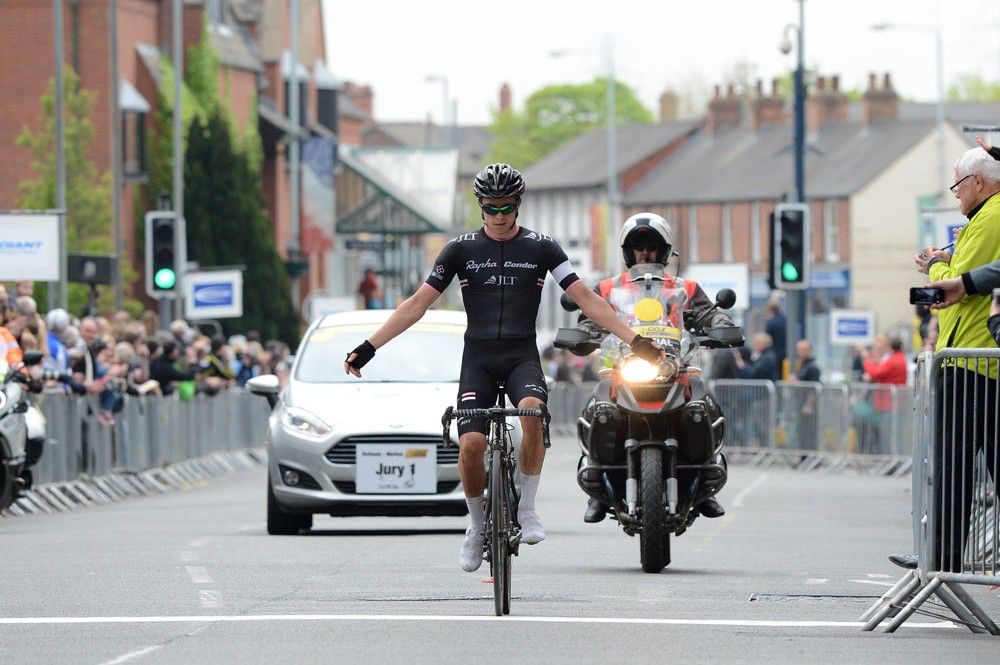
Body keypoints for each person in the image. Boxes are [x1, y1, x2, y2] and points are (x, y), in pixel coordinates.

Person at [343, 163, 664, 573]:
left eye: (507, 207)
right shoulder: (459, 250)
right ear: (480, 206)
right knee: (472, 445)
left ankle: (527, 508)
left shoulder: (541, 248)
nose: (499, 216)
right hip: (477, 357)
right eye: (491, 208)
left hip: (520, 355)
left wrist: (636, 341)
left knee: (531, 409)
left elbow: (587, 298)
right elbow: (417, 304)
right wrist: (369, 347)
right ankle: (476, 526)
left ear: (519, 204)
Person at [577, 212, 737, 524]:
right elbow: (588, 319)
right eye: (638, 246)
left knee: (703, 405)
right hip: (623, 367)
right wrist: (582, 333)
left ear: (663, 250)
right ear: (628, 251)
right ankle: (598, 484)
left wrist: (722, 325)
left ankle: (705, 481)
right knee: (598, 407)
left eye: (652, 245)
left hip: (675, 366)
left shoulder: (685, 288)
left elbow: (708, 314)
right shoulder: (607, 289)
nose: (645, 252)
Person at [893, 144, 1000, 572]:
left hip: (971, 363)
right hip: (976, 360)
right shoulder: (985, 218)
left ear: (977, 182)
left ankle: (941, 559)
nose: (956, 195)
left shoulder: (990, 217)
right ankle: (942, 556)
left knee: (952, 467)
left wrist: (936, 266)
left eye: (958, 186)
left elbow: (955, 284)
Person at [789, 339, 821, 451]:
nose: (801, 351)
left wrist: (809, 404)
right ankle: (803, 456)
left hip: (808, 405)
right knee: (802, 430)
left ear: (810, 350)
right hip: (801, 402)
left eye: (804, 349)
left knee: (809, 430)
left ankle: (809, 456)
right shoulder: (803, 365)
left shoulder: (812, 367)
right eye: (800, 349)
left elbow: (813, 388)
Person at [764, 302, 787, 370]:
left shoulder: (771, 323)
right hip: (787, 352)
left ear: (770, 310)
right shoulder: (785, 320)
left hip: (775, 353)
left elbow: (767, 340)